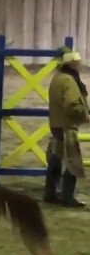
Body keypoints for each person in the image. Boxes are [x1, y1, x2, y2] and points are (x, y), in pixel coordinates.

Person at [45, 50, 89, 207]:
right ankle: (67, 196)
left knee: (56, 159)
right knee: (72, 161)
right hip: (67, 125)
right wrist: (83, 116)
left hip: (56, 125)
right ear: (73, 65)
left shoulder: (57, 79)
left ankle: (50, 193)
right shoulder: (69, 81)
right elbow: (72, 104)